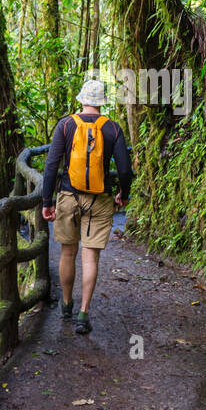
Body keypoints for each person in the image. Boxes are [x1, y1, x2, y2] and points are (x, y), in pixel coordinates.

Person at [40, 79, 133, 335]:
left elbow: (51, 165)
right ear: (102, 102)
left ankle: (66, 304)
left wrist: (47, 201)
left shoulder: (66, 124)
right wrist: (124, 194)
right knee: (90, 256)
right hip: (100, 200)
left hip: (69, 196)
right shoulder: (112, 128)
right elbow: (125, 169)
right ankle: (83, 313)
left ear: (82, 99)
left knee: (68, 253)